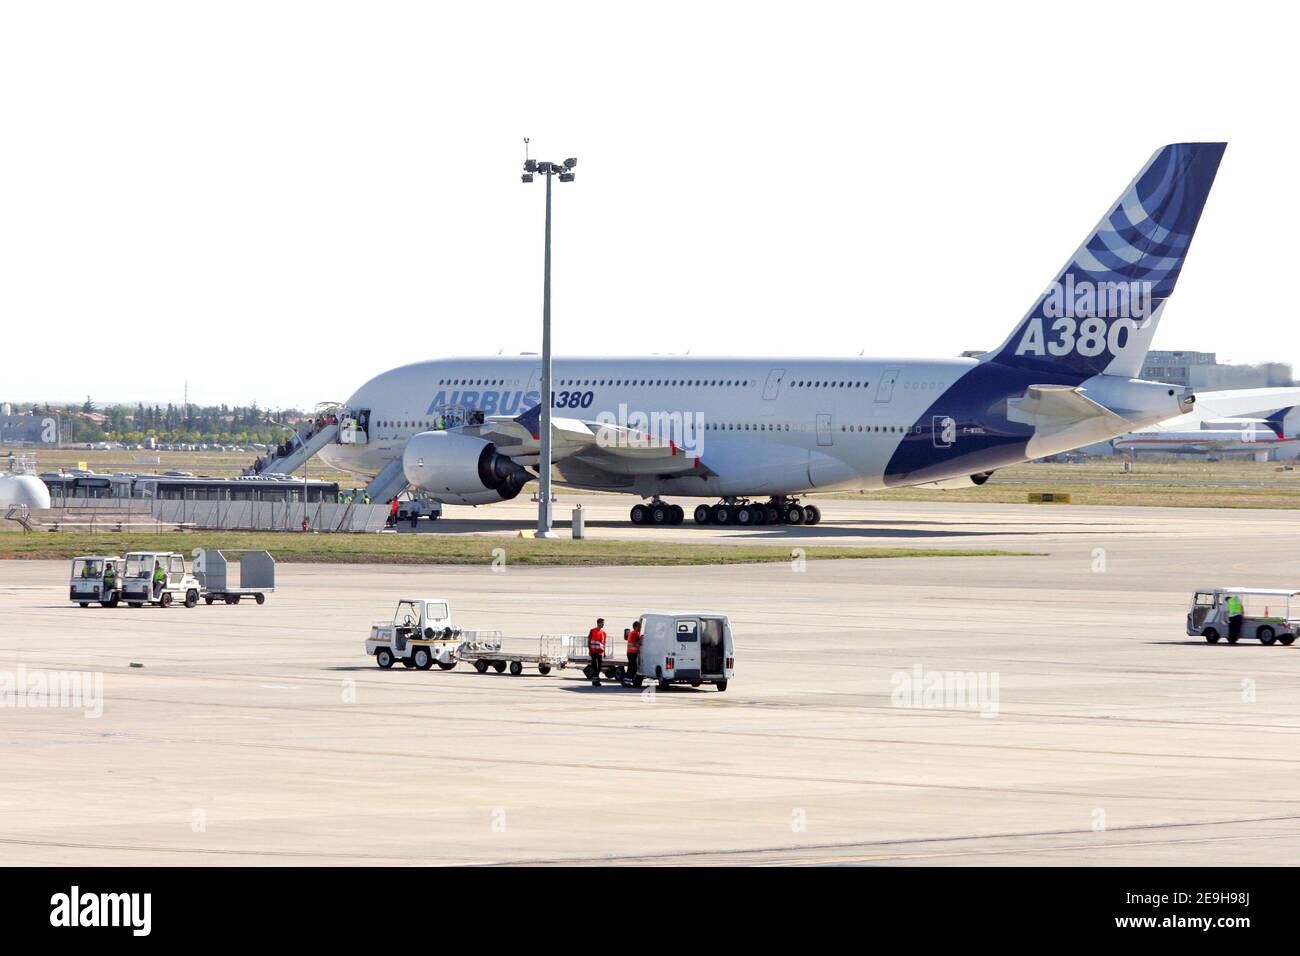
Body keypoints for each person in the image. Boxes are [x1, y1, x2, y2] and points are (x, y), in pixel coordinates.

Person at [587, 618, 608, 687]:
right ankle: (595, 680)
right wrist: (589, 650)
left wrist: (604, 652)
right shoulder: (592, 631)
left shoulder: (604, 633)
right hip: (593, 651)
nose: (603, 624)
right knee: (595, 666)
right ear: (598, 623)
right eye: (602, 623)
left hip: (600, 652)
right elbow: (589, 641)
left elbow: (604, 643)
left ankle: (596, 680)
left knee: (599, 667)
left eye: (603, 623)